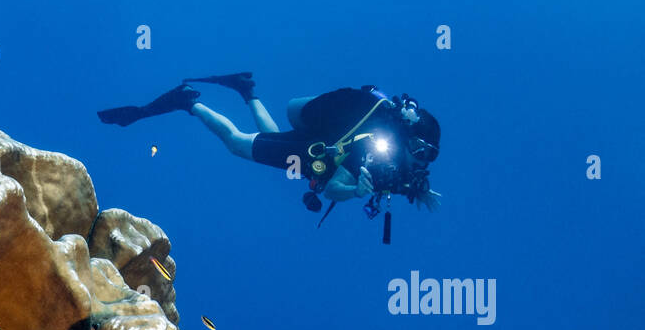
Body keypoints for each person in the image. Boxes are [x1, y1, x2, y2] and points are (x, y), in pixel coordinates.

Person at [99, 73, 442, 217]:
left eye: (428, 158)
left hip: (316, 148)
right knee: (236, 144)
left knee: (277, 137)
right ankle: (188, 102)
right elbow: (335, 188)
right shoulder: (371, 143)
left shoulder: (399, 163)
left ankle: (245, 88)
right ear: (411, 138)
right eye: (422, 151)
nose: (421, 161)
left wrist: (417, 190)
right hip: (316, 156)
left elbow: (388, 180)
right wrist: (355, 191)